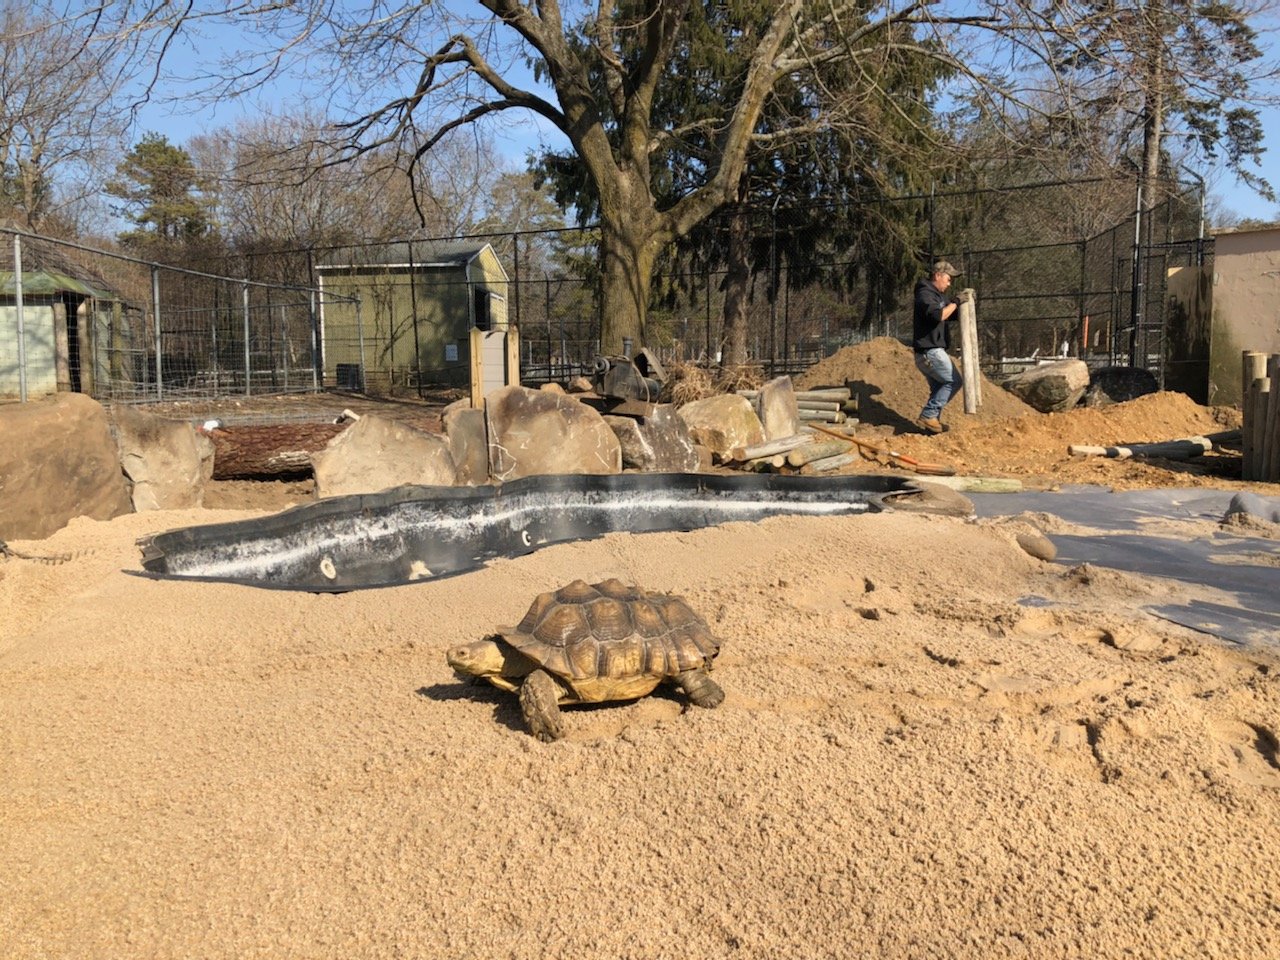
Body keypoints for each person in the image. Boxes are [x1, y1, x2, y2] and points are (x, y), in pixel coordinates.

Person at [911, 260, 969, 434]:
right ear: (937, 275)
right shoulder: (925, 294)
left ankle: (931, 424)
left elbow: (950, 314)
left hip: (930, 351)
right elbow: (938, 315)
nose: (950, 283)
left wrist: (963, 305)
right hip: (930, 351)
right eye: (948, 278)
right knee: (954, 381)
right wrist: (956, 302)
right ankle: (929, 415)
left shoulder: (938, 296)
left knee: (939, 387)